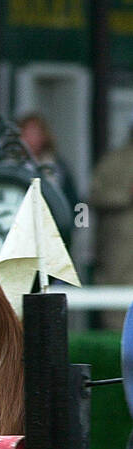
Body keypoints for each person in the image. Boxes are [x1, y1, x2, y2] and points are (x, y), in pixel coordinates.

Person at [90, 126, 133, 330]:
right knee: (116, 293)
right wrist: (125, 194)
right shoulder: (114, 160)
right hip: (119, 244)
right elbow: (95, 195)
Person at [17, 113, 79, 212]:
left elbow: (71, 199)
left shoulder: (57, 167)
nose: (29, 139)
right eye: (25, 134)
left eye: (34, 134)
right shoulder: (14, 165)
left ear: (43, 136)